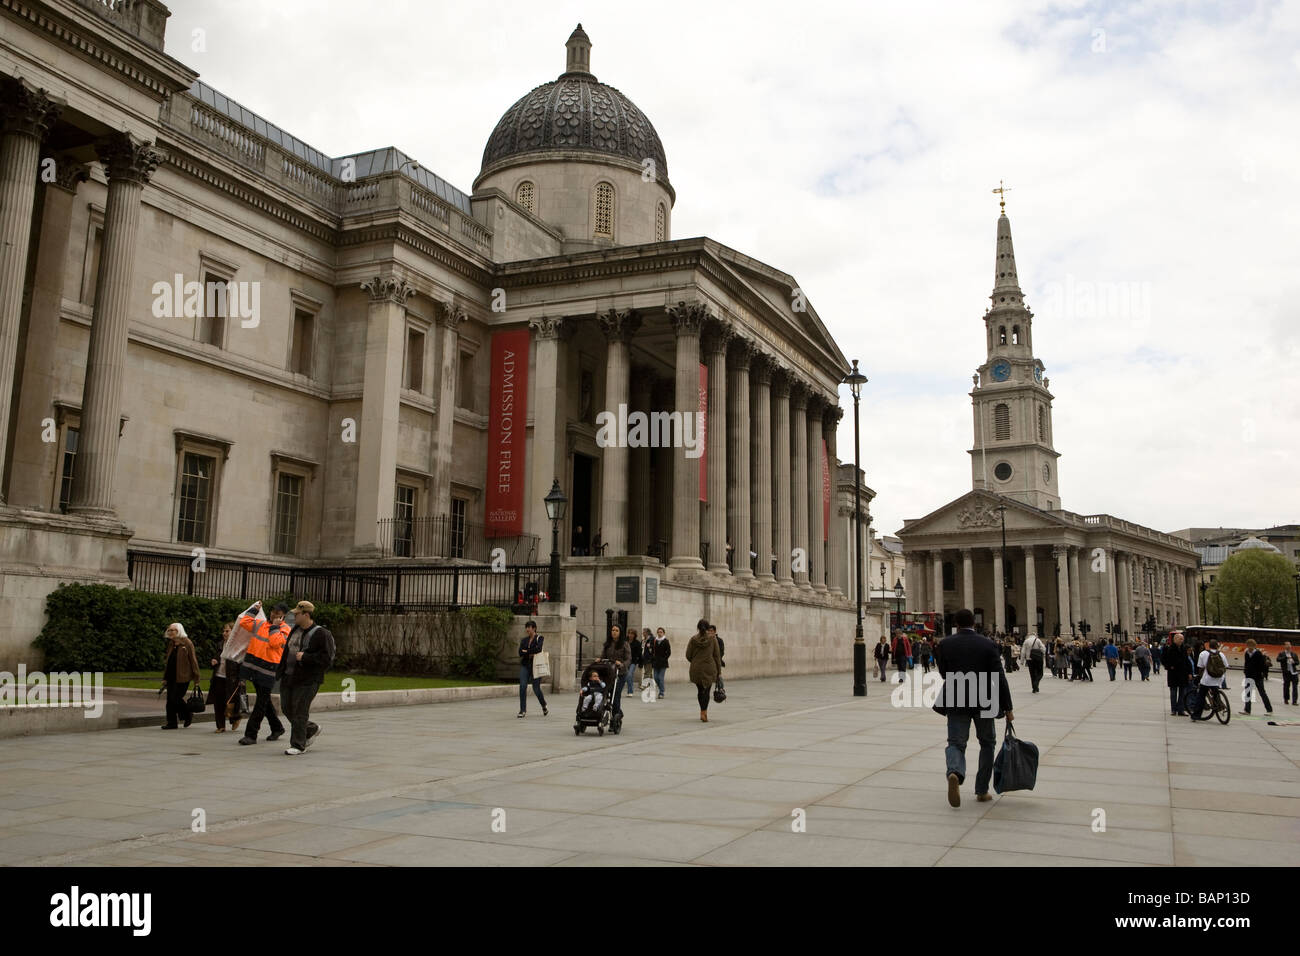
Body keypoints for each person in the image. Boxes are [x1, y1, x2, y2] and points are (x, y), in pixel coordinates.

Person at [933, 608, 1013, 808]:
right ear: (974, 624)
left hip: (956, 697)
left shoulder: (945, 644)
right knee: (987, 743)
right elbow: (1000, 677)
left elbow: (943, 672)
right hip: (984, 699)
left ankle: (954, 772)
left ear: (956, 625)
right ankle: (982, 790)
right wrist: (1008, 707)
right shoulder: (988, 644)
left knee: (956, 742)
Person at [277, 601, 334, 756]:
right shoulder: (295, 630)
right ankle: (310, 729)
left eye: (297, 614)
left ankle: (298, 744)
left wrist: (306, 657)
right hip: (289, 676)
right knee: (286, 707)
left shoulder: (321, 634)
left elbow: (326, 659)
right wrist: (280, 670)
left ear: (306, 615)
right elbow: (286, 652)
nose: (294, 616)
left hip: (308, 679)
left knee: (299, 710)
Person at [237, 601, 290, 745]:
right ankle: (277, 728)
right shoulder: (261, 624)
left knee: (260, 703)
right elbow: (245, 622)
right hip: (253, 667)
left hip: (268, 671)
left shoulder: (286, 630)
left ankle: (251, 734)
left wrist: (275, 626)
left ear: (283, 616)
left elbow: (274, 643)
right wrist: (254, 609)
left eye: (278, 614)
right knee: (264, 701)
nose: (273, 615)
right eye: (273, 612)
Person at [207, 620, 249, 733]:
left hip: (232, 679)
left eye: (227, 631)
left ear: (233, 632)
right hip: (218, 676)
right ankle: (220, 725)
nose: (224, 633)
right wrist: (214, 661)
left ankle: (235, 717)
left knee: (231, 702)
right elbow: (216, 657)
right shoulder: (220, 644)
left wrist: (242, 679)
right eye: (223, 631)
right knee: (218, 701)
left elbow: (242, 664)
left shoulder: (238, 647)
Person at [161, 622, 200, 729]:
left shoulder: (187, 643)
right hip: (171, 677)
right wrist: (165, 678)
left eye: (173, 630)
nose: (170, 632)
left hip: (183, 677)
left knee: (175, 699)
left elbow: (193, 660)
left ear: (179, 631)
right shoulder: (171, 644)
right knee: (169, 701)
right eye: (169, 630)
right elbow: (168, 662)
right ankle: (171, 723)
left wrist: (196, 677)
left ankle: (187, 714)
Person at [685, 618, 722, 722]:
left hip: (696, 668)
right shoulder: (713, 639)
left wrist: (695, 660)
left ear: (698, 627)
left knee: (700, 690)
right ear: (708, 627)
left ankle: (702, 711)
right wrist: (719, 672)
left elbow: (688, 655)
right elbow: (717, 656)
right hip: (709, 668)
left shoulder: (693, 639)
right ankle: (704, 712)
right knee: (707, 691)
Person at [1190, 639, 1228, 720]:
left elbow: (1200, 667)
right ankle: (1219, 705)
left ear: (1208, 645)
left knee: (1201, 696)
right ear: (1217, 646)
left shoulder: (1203, 654)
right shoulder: (1221, 654)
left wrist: (1199, 677)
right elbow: (1225, 666)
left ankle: (1196, 715)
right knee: (1215, 692)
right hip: (1218, 679)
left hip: (1207, 679)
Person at [518, 619, 548, 717]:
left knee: (536, 688)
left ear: (534, 628)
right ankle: (522, 710)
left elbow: (538, 649)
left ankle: (543, 705)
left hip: (536, 666)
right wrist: (530, 652)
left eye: (529, 627)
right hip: (525, 665)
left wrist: (526, 651)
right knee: (522, 686)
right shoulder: (524, 640)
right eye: (526, 627)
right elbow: (520, 652)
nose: (527, 629)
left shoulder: (540, 638)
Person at [601, 624, 631, 716]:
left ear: (620, 632)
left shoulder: (625, 644)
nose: (614, 632)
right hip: (609, 673)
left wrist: (622, 664)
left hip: (620, 673)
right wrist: (600, 659)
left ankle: (615, 716)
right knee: (608, 692)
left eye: (616, 630)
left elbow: (628, 659)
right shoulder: (607, 644)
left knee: (616, 694)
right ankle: (618, 712)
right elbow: (603, 656)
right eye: (613, 630)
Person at [1162, 630, 1193, 715]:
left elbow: (1187, 662)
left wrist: (1190, 673)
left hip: (1183, 674)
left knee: (1182, 693)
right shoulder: (1169, 648)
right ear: (1175, 639)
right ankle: (1173, 709)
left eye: (1182, 639)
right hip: (1173, 674)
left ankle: (1181, 709)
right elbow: (1164, 660)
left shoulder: (1184, 649)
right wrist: (1169, 666)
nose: (1181, 640)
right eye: (1180, 639)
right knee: (1173, 693)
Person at [1240, 638, 1273, 716]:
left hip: (1258, 676)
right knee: (1248, 693)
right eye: (1248, 646)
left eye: (1251, 646)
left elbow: (1262, 665)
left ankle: (1269, 710)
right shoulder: (1246, 653)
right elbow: (1246, 664)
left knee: (1262, 693)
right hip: (1249, 676)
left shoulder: (1258, 653)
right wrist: (1245, 671)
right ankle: (1247, 710)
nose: (1249, 648)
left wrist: (1263, 674)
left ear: (1254, 646)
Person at [651, 627, 671, 699]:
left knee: (660, 677)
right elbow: (652, 650)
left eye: (661, 632)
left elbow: (668, 652)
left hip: (663, 663)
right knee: (656, 677)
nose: (659, 633)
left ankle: (661, 692)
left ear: (663, 633)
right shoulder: (655, 640)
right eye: (658, 632)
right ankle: (662, 688)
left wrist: (664, 658)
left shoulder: (666, 641)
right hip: (656, 662)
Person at [1278, 641, 1299, 706]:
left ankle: (1294, 701)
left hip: (1294, 672)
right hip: (1286, 672)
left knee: (1295, 687)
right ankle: (1286, 699)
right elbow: (1278, 659)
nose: (1288, 646)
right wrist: (1285, 658)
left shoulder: (1294, 654)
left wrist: (1293, 662)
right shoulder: (1282, 653)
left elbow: (1297, 662)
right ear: (1284, 646)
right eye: (1287, 645)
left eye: (1289, 644)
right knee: (1286, 686)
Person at [628, 628, 644, 695]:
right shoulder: (624, 641)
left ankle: (630, 691)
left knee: (629, 675)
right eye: (629, 633)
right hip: (625, 661)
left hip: (633, 662)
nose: (630, 635)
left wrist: (640, 663)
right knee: (629, 676)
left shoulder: (637, 643)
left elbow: (640, 654)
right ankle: (630, 690)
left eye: (632, 633)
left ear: (635, 635)